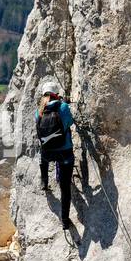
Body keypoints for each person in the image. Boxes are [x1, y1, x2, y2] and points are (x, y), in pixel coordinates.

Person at [36, 83, 76, 230]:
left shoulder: (39, 111)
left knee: (43, 156)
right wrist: (64, 105)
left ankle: (44, 181)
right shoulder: (63, 108)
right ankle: (65, 220)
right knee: (65, 188)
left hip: (47, 153)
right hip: (64, 152)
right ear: (56, 94)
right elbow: (70, 122)